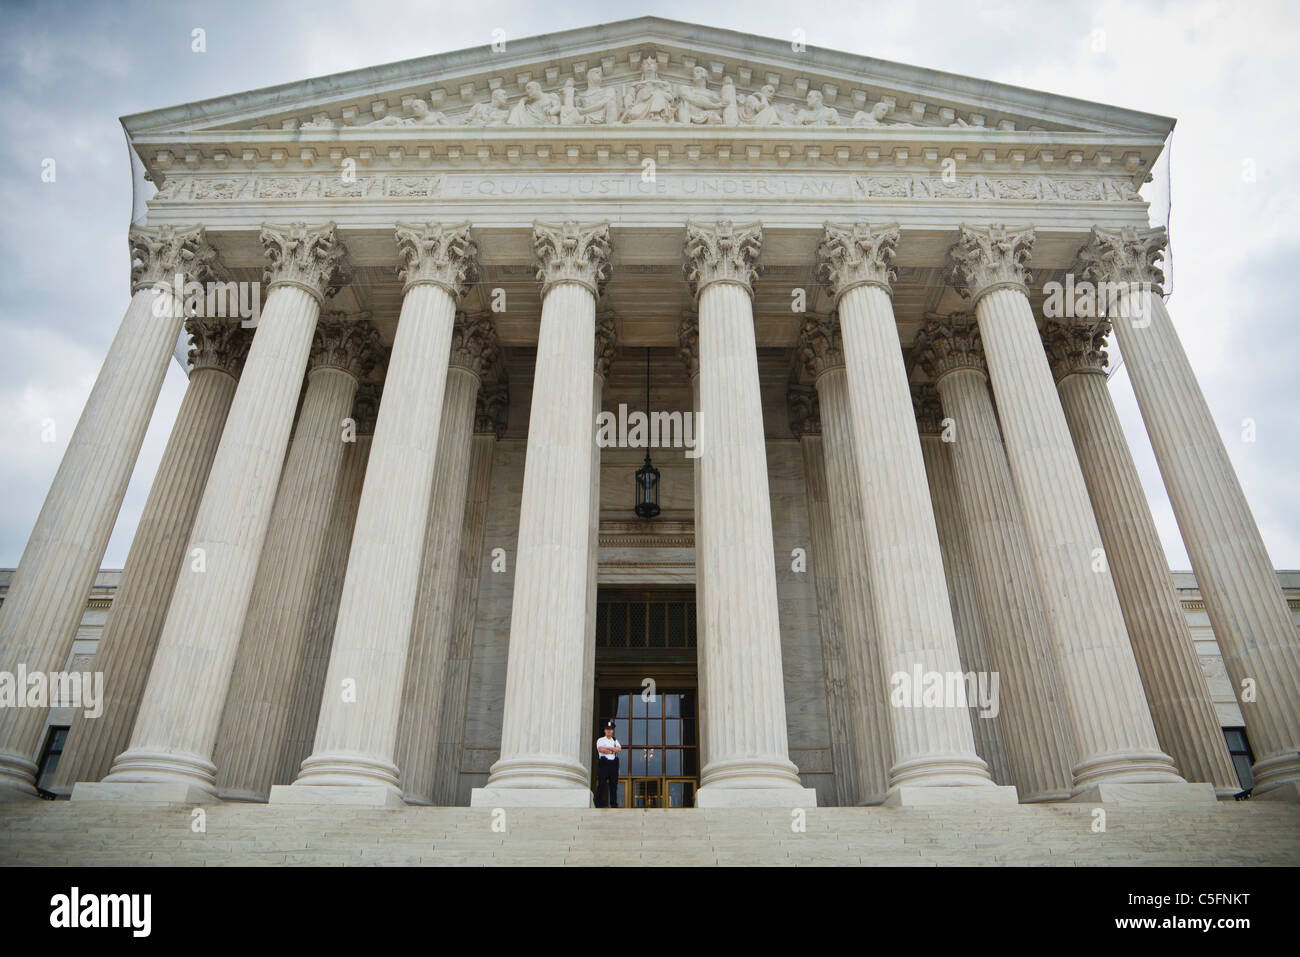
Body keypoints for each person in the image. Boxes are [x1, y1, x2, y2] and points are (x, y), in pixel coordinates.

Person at [594, 719, 622, 808]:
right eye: (607, 729)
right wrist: (612, 750)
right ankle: (598, 802)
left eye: (610, 729)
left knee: (613, 785)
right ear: (604, 730)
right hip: (604, 763)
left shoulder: (615, 740)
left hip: (613, 764)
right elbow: (601, 749)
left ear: (613, 731)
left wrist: (609, 749)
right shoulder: (600, 740)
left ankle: (613, 804)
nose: (609, 731)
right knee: (602, 784)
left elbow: (619, 749)